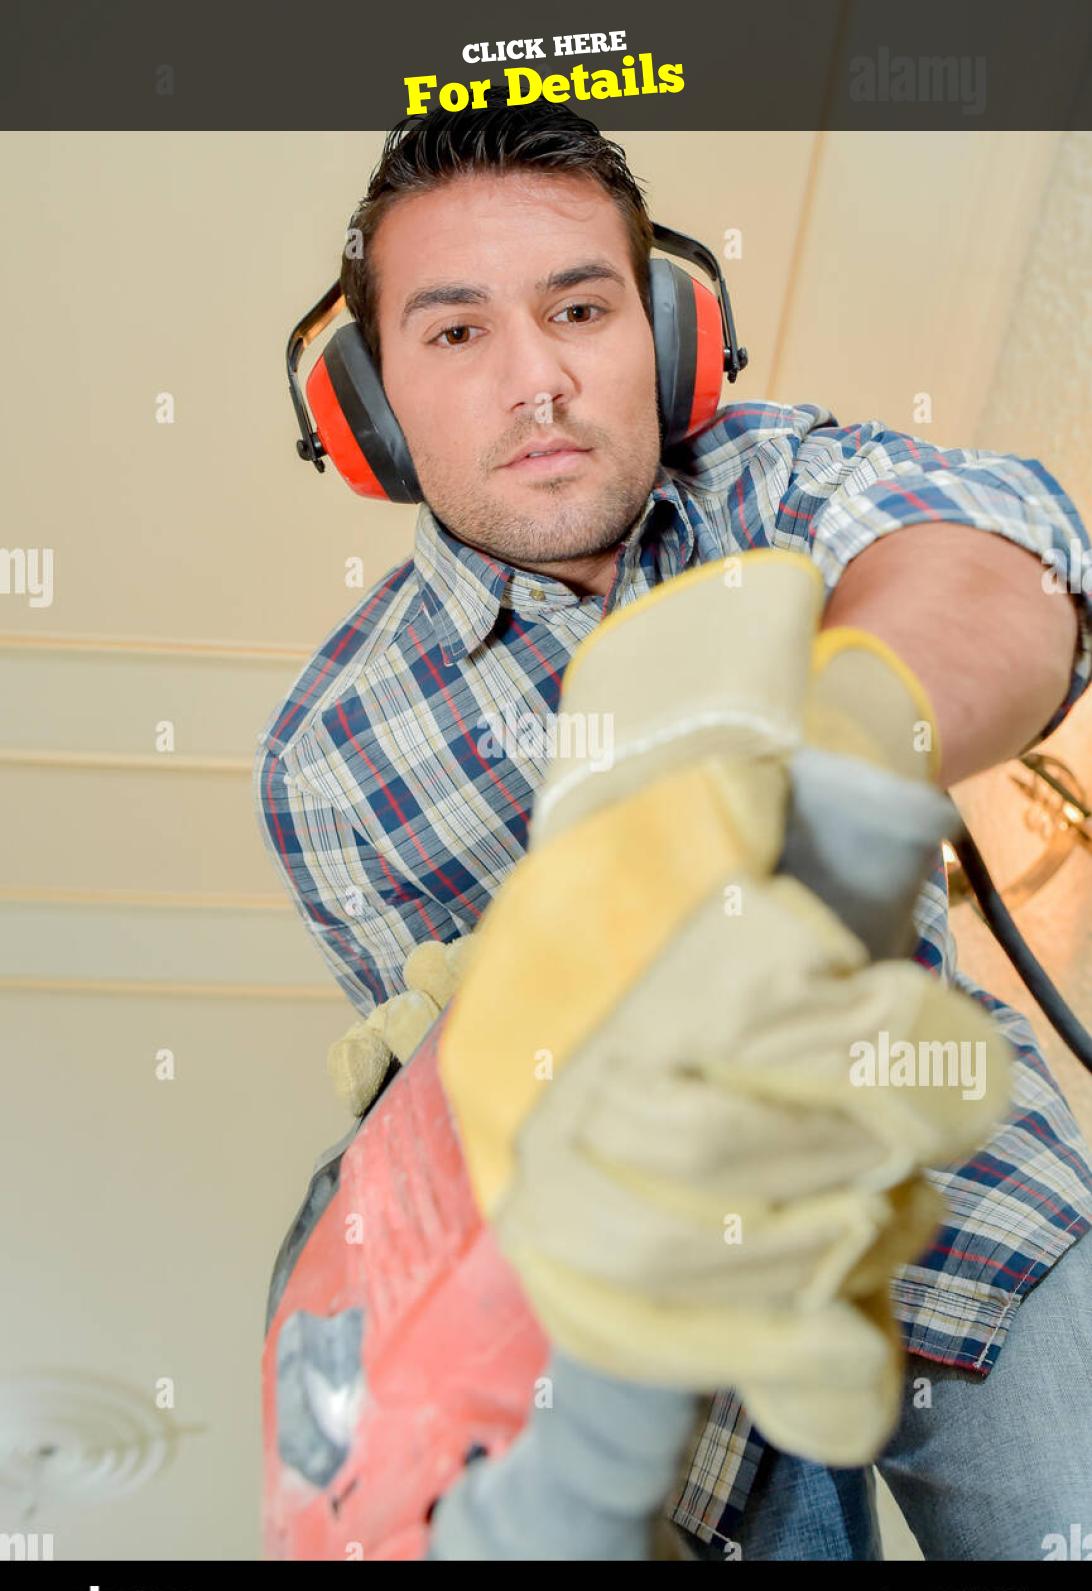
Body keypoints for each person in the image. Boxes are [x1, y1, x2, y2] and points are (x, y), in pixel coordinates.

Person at [256, 93, 1092, 1560]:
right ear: (371, 408)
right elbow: (458, 1163)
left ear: (666, 337)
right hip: (663, 1339)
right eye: (456, 333)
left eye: (580, 308)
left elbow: (1004, 555)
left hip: (973, 1202)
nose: (538, 382)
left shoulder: (769, 480)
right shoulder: (325, 758)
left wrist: (827, 758)